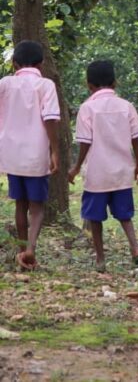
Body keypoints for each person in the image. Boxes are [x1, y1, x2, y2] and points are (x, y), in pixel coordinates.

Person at [67, 61, 138, 271]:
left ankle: (100, 259)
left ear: (89, 85)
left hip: (97, 174)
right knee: (124, 215)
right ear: (115, 83)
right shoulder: (126, 106)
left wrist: (76, 167)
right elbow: (137, 138)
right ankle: (135, 248)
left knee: (94, 218)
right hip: (122, 172)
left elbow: (85, 142)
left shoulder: (87, 108)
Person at [0, 40, 61, 270]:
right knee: (37, 207)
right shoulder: (45, 85)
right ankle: (31, 249)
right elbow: (50, 118)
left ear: (14, 63)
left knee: (20, 204)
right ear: (41, 64)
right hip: (36, 154)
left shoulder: (5, 83)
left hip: (11, 154)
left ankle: (20, 250)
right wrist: (55, 150)